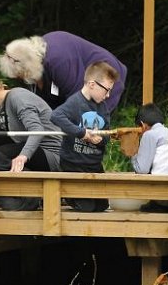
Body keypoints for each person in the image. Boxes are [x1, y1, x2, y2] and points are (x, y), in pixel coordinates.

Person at [0, 54, 61, 172]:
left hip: (50, 153)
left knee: (5, 152)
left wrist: (23, 156)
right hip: (23, 144)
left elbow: (37, 131)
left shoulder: (18, 98)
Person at [0, 31, 127, 111]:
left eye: (20, 75)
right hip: (78, 84)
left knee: (86, 127)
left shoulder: (59, 61)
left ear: (27, 67)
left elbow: (79, 99)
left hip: (105, 78)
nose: (21, 79)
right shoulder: (39, 57)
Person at [50, 61, 120, 212]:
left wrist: (101, 140)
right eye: (106, 90)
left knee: (102, 206)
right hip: (73, 165)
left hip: (94, 166)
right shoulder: (75, 102)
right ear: (92, 84)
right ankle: (68, 196)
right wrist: (82, 133)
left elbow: (106, 133)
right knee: (87, 208)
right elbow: (56, 116)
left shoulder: (103, 107)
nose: (108, 95)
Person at [132, 103, 168, 213]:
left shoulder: (149, 134)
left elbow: (142, 170)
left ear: (143, 125)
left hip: (160, 194)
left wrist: (133, 154)